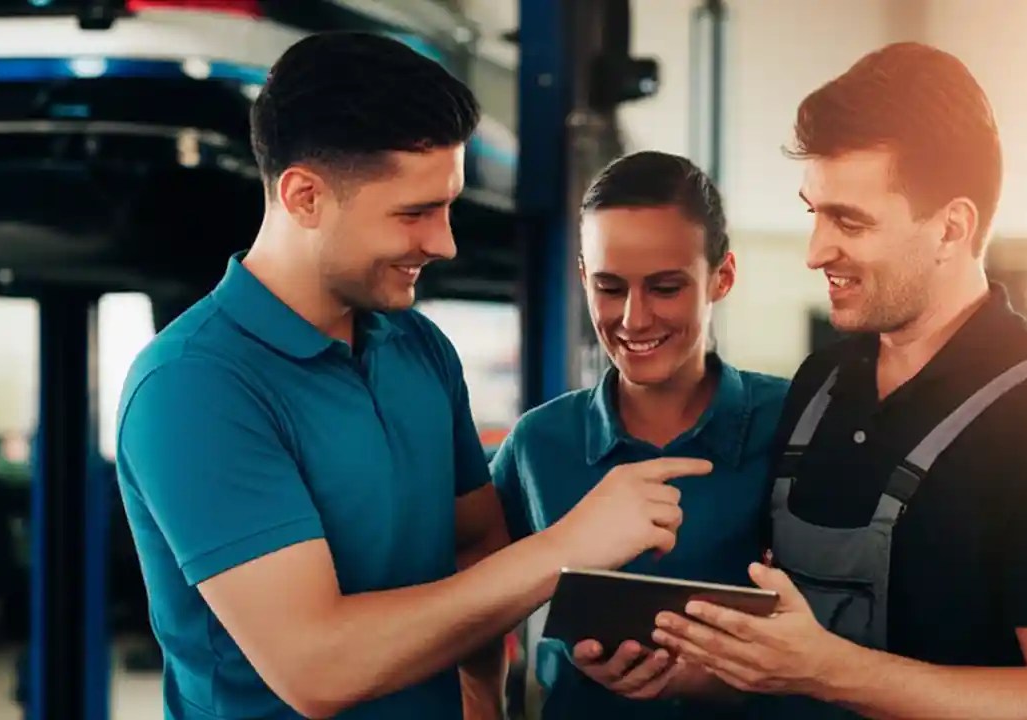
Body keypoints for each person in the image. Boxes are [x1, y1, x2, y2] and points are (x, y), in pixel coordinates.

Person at [114, 32, 713, 720]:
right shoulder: (194, 388)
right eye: (415, 213)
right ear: (304, 196)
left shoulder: (417, 345)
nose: (445, 242)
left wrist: (481, 693)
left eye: (448, 206)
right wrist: (565, 548)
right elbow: (319, 668)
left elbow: (474, 545)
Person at [645, 42, 1027, 719]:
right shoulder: (819, 385)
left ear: (951, 226)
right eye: (814, 212)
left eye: (849, 221)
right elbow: (787, 653)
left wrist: (830, 671)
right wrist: (696, 667)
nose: (815, 252)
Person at [490, 150, 789, 719]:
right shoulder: (538, 444)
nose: (633, 319)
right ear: (582, 276)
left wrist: (726, 675)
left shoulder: (797, 423)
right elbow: (471, 609)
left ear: (721, 277)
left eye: (665, 287)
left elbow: (859, 632)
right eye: (608, 287)